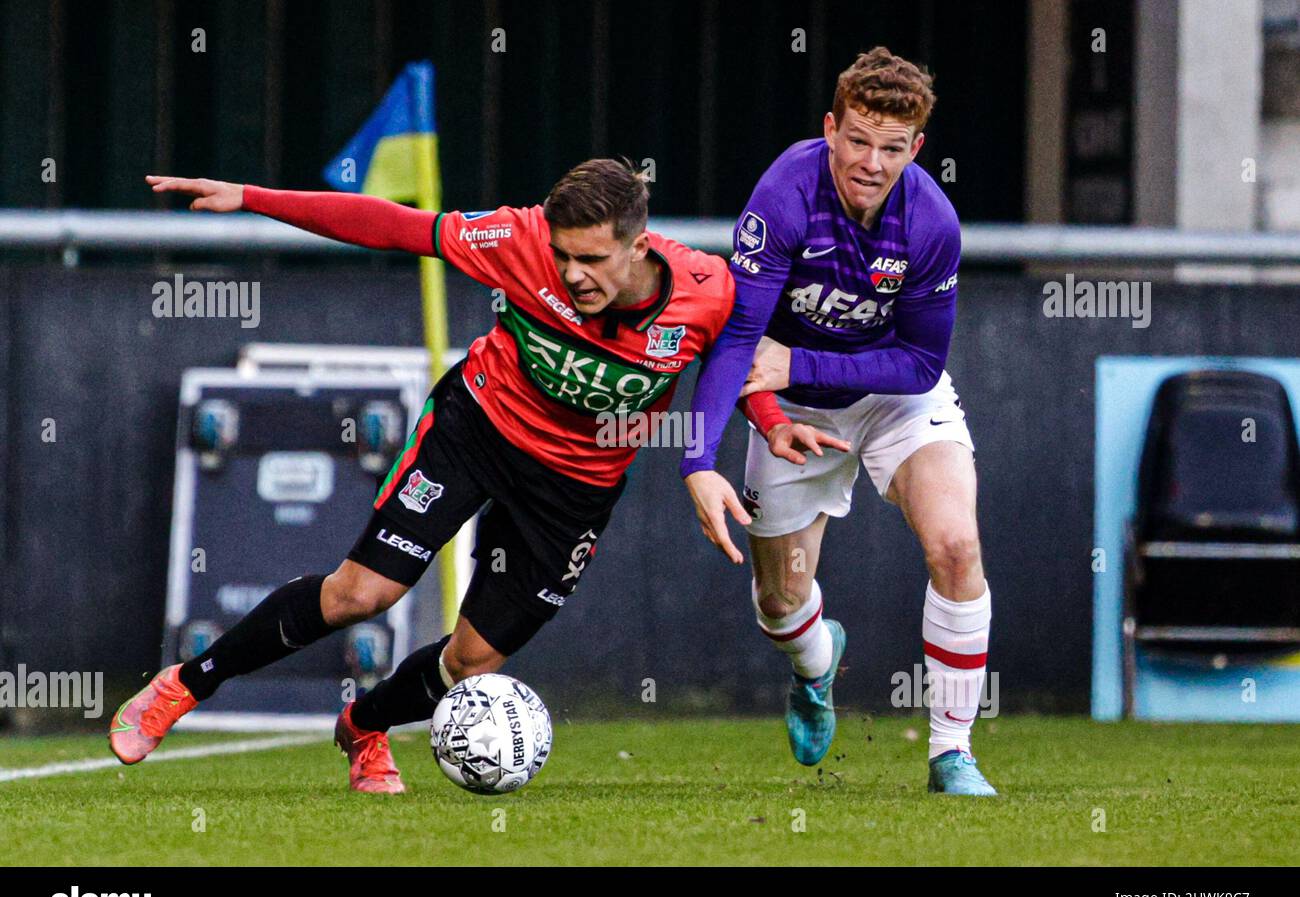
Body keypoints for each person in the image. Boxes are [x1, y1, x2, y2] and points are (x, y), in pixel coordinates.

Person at [109, 159, 736, 793]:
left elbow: (745, 362)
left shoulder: (708, 293)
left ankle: (363, 724)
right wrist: (252, 195)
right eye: (563, 254)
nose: (574, 274)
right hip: (478, 430)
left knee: (472, 664)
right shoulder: (517, 239)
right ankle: (185, 684)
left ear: (640, 245)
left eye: (594, 259)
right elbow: (391, 226)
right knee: (359, 596)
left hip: (573, 488)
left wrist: (744, 437)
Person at [681, 48, 997, 796]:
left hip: (894, 399)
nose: (871, 162)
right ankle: (818, 666)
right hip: (791, 412)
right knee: (779, 602)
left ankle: (952, 754)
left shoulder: (932, 223)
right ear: (831, 128)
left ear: (917, 149)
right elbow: (737, 339)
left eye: (893, 147)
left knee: (956, 545)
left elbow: (920, 366)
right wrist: (698, 460)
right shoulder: (784, 196)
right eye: (858, 139)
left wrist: (803, 365)